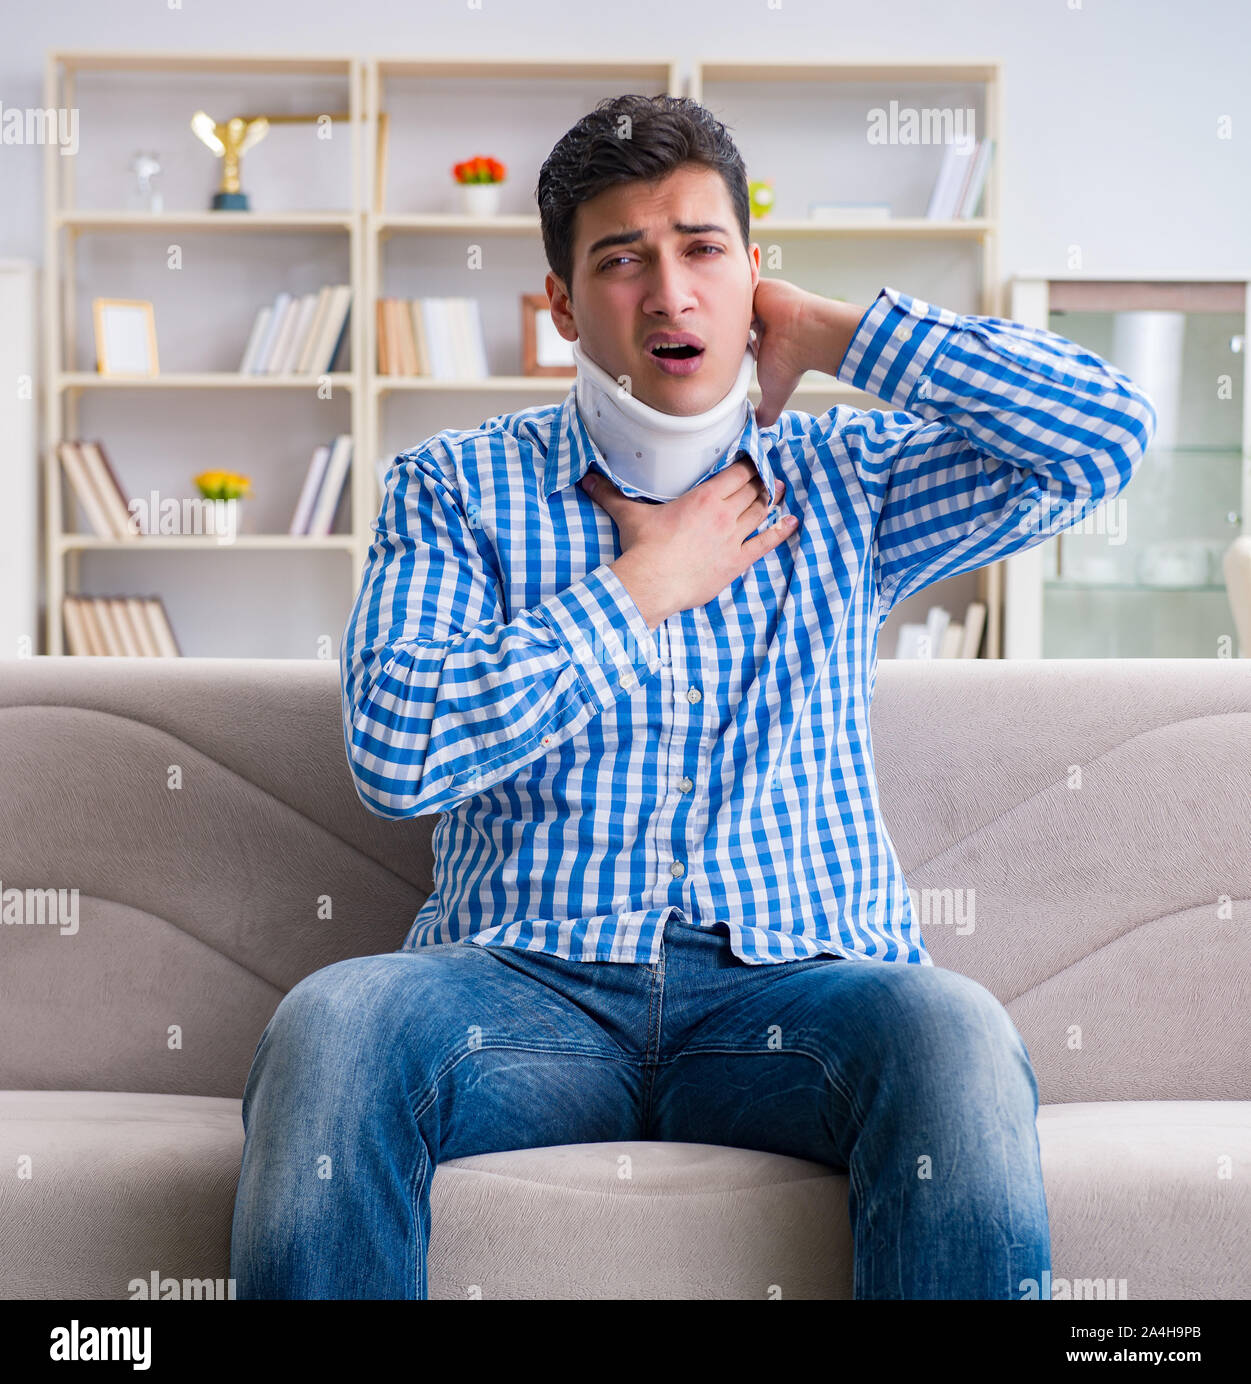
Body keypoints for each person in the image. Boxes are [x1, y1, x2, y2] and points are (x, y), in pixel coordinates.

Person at [230, 94, 1156, 1300]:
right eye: (622, 260)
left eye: (703, 250)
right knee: (335, 1025)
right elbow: (397, 752)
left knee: (956, 1030)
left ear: (752, 274)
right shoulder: (452, 487)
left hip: (799, 990)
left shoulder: (844, 483)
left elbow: (1103, 436)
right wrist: (637, 589)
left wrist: (833, 333)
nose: (669, 292)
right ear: (562, 302)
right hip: (524, 987)